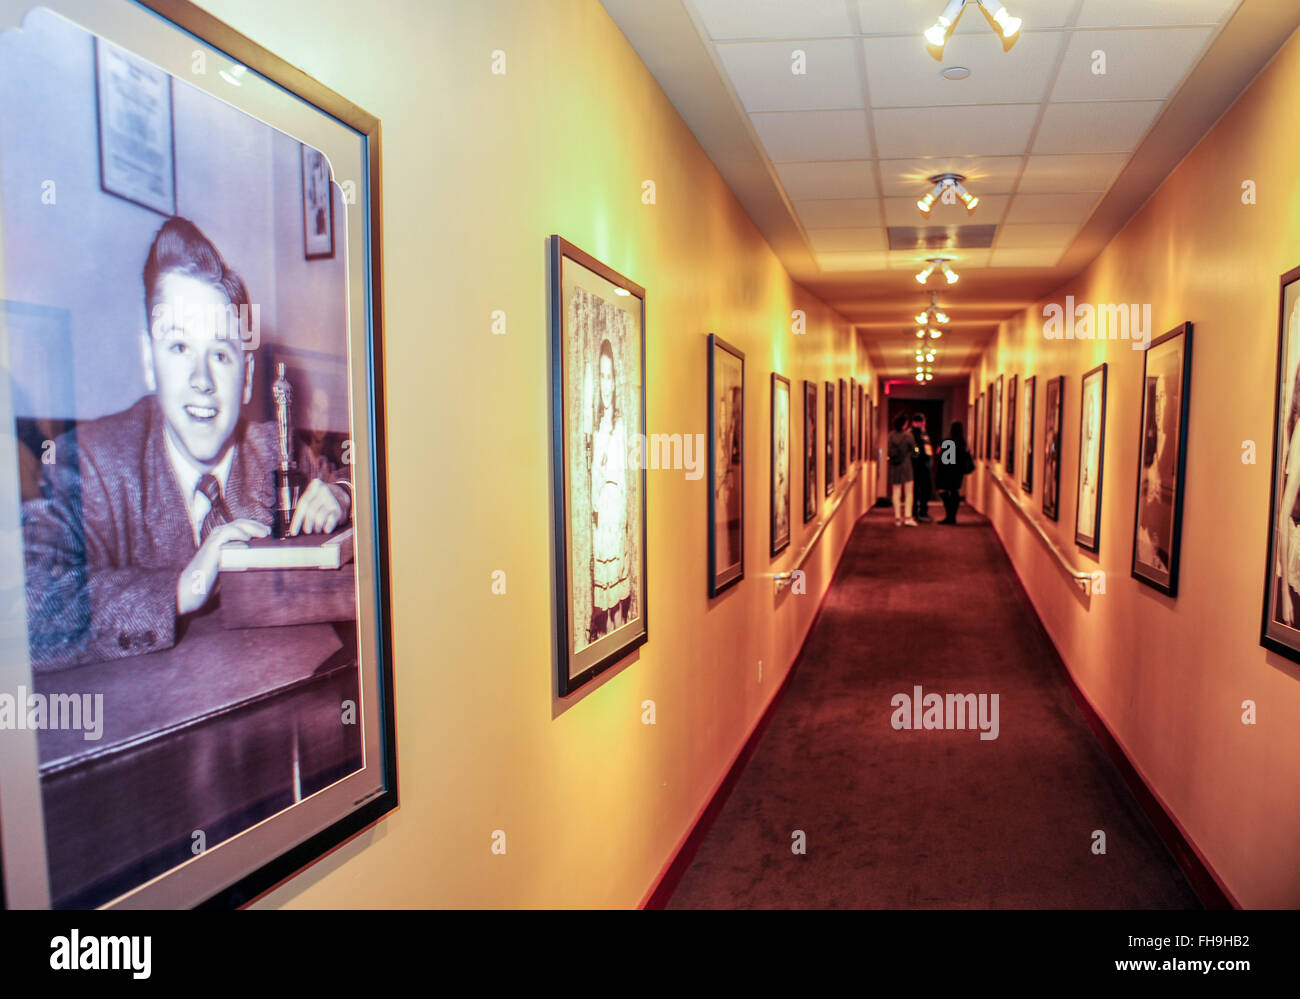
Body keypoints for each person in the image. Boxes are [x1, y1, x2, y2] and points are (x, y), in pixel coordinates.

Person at [21, 217, 351, 670]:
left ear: (248, 378)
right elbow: (22, 601)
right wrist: (182, 586)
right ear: (148, 360)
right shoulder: (93, 465)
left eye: (220, 354)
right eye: (179, 348)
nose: (202, 381)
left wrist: (341, 493)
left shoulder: (277, 451)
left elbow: (367, 474)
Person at [590, 337, 631, 641]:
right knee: (604, 596)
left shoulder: (621, 426)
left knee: (619, 588)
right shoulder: (597, 428)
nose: (606, 384)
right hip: (603, 514)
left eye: (609, 376)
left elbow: (624, 476)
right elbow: (595, 479)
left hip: (616, 512)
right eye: (601, 377)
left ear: (616, 381)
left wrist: (622, 517)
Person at [935, 421, 974, 524]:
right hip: (958, 473)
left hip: (947, 471)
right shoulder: (962, 443)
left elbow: (944, 459)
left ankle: (949, 515)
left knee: (944, 491)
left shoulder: (947, 442)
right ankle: (952, 516)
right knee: (954, 492)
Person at [887, 412, 917, 527]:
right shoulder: (909, 436)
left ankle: (897, 518)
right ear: (904, 424)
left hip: (895, 466)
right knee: (909, 493)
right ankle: (908, 517)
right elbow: (915, 451)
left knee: (896, 492)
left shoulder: (890, 436)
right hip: (906, 466)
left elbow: (889, 451)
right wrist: (917, 451)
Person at [910, 412, 934, 522]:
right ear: (918, 423)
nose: (924, 424)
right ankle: (916, 512)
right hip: (917, 465)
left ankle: (923, 511)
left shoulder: (924, 433)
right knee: (916, 490)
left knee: (925, 489)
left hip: (925, 464)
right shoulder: (912, 434)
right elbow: (915, 450)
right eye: (923, 422)